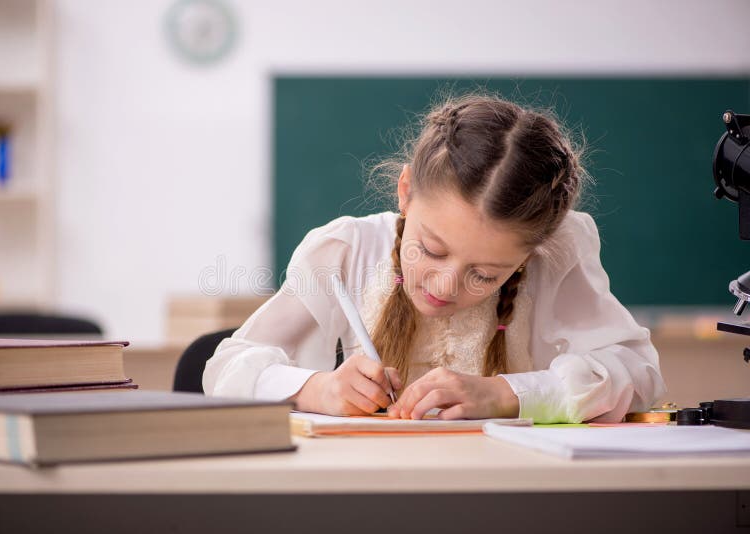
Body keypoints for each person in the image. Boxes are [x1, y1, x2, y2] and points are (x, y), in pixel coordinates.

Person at [202, 93, 667, 423]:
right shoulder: (346, 251)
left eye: (485, 275)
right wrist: (317, 388)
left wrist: (509, 394)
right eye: (431, 250)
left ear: (531, 249)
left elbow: (640, 375)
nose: (445, 286)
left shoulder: (559, 252)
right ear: (405, 191)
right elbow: (224, 368)